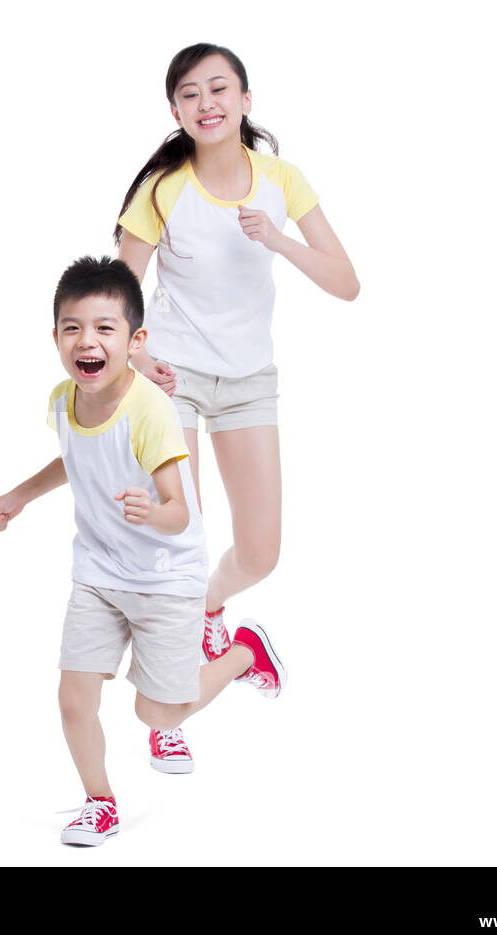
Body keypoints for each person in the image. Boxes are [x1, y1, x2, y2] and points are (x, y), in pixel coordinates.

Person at [0, 257, 280, 846]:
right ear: (56, 338)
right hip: (98, 571)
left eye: (104, 328)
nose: (86, 341)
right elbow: (75, 457)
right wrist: (19, 495)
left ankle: (245, 652)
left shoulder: (150, 409)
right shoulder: (64, 399)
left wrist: (153, 512)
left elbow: (180, 508)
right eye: (72, 328)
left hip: (167, 576)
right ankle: (101, 803)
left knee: (158, 714)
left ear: (135, 340)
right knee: (73, 700)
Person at [114, 42, 359, 751]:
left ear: (246, 101)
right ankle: (169, 709)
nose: (207, 103)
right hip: (174, 379)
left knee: (260, 553)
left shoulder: (282, 179)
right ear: (175, 111)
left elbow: (347, 282)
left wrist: (279, 243)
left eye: (219, 89)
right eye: (189, 94)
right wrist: (144, 362)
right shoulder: (162, 189)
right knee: (177, 539)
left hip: (250, 381)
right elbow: (118, 300)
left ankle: (220, 616)